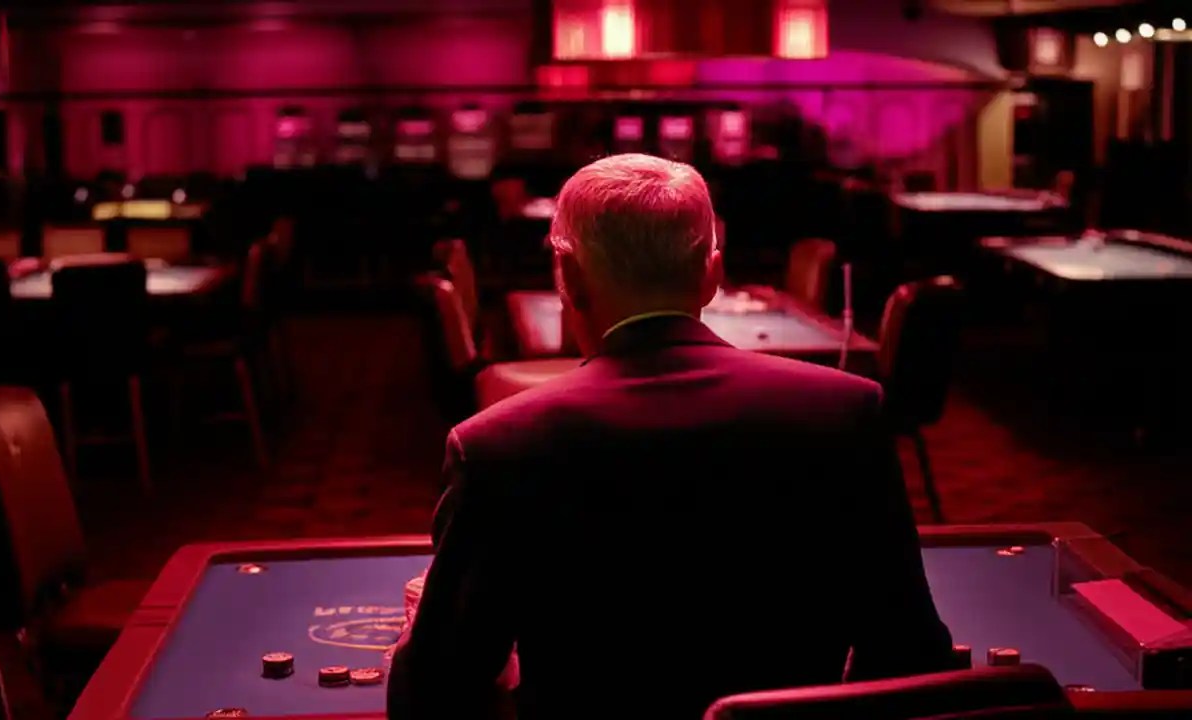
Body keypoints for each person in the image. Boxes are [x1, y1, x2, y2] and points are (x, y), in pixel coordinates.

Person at [388, 154, 953, 720]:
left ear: (568, 275)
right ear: (711, 272)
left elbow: (433, 697)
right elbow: (911, 653)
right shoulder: (848, 413)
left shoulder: (495, 446)